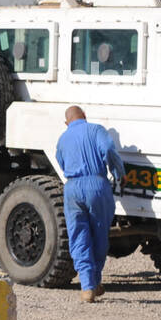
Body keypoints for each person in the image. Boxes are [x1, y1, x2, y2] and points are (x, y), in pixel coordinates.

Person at [55, 106, 124, 302]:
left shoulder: (63, 138)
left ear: (67, 122)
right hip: (97, 185)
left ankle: (88, 286)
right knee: (99, 235)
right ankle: (94, 281)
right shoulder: (96, 130)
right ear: (84, 116)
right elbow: (109, 149)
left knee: (79, 236)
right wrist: (118, 173)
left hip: (73, 188)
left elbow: (60, 161)